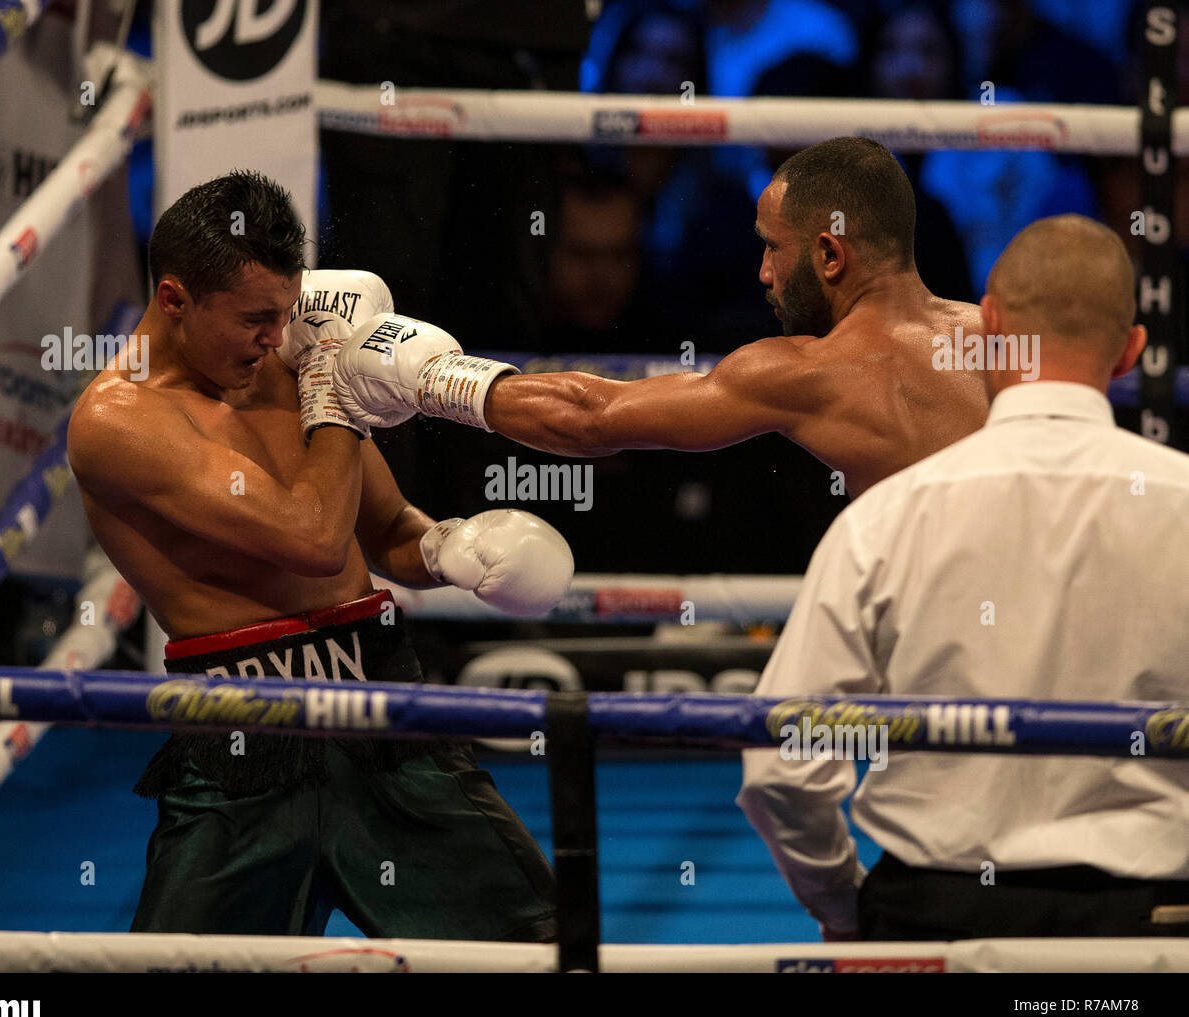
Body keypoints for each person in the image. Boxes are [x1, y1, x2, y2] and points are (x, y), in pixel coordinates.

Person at [67, 171, 572, 941]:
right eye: (254, 319)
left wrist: (449, 547)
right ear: (174, 300)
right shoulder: (117, 421)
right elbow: (310, 538)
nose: (278, 337)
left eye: (285, 312)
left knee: (536, 949)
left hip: (383, 714)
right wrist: (336, 391)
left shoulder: (283, 368)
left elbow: (383, 528)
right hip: (243, 750)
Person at [740, 215, 1189, 941]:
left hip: (936, 917)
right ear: (1132, 350)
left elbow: (780, 765)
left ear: (988, 327)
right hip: (1153, 924)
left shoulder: (889, 515)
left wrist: (841, 902)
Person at [328, 137, 990, 500]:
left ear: (828, 252)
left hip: (946, 662)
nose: (763, 272)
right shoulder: (1003, 340)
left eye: (772, 246)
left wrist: (433, 378)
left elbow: (592, 419)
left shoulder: (807, 374)